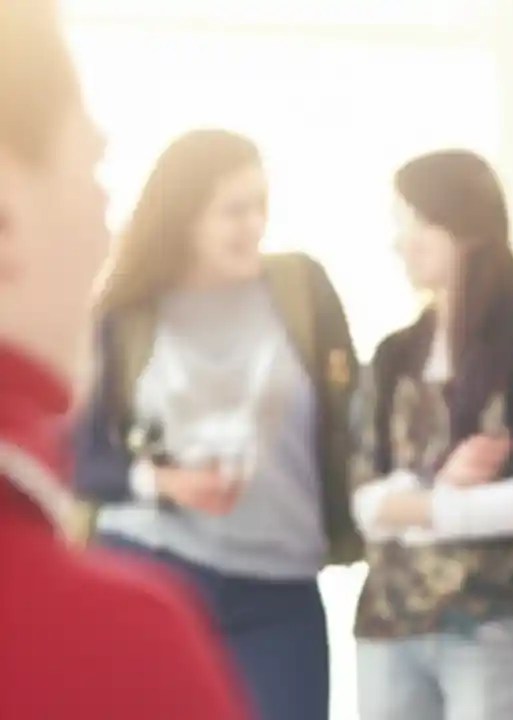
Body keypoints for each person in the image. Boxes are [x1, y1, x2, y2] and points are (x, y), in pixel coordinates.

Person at [0, 3, 247, 718]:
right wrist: (162, 479)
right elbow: (94, 455)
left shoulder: (292, 309)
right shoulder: (118, 648)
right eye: (91, 169)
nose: (102, 226)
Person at [74, 129, 360, 720]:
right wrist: (165, 483)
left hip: (280, 588)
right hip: (154, 571)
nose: (254, 223)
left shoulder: (301, 290)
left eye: (261, 206)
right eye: (234, 210)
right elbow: (77, 451)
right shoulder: (125, 316)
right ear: (185, 218)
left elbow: (353, 412)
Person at [349, 149, 513, 720]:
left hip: (491, 619)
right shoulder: (393, 356)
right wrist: (440, 492)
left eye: (416, 221)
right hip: (388, 622)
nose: (401, 241)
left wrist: (418, 508)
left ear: (463, 225)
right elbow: (362, 500)